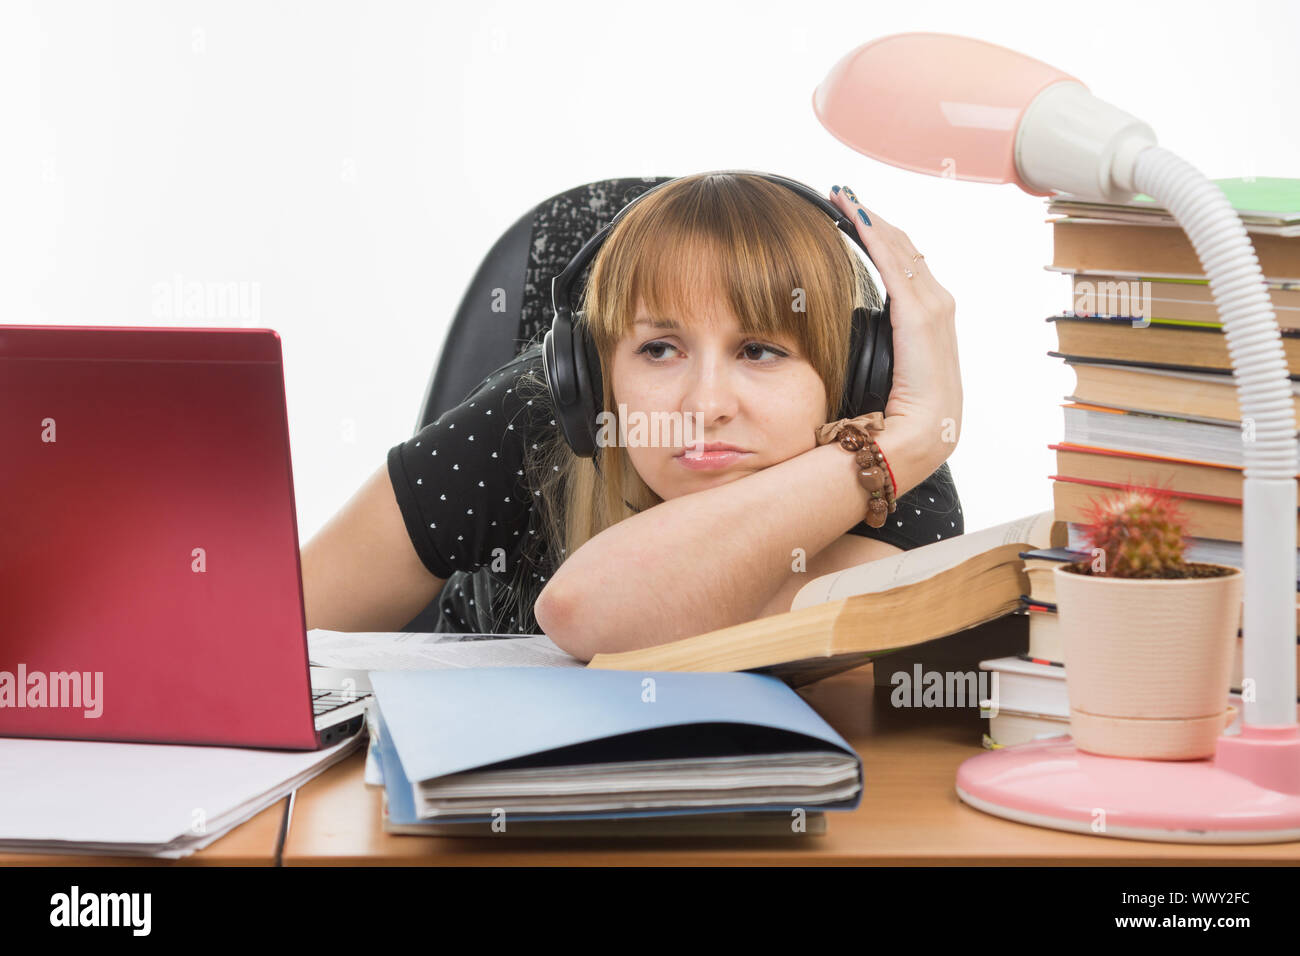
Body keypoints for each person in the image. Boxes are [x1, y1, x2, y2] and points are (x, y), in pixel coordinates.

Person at [300, 172, 964, 661]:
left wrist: (903, 444)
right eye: (659, 349)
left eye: (759, 350)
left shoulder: (891, 473)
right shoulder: (529, 421)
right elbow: (269, 635)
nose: (705, 406)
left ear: (852, 378)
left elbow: (605, 611)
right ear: (590, 378)